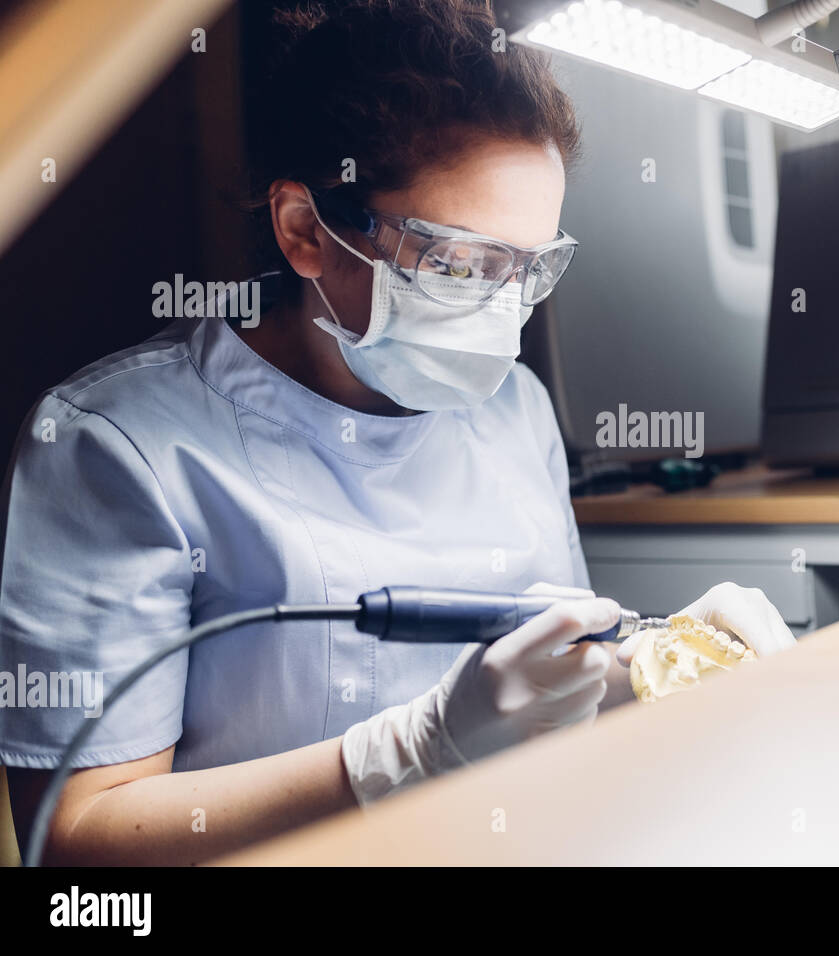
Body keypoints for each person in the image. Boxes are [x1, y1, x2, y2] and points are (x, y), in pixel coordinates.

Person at [0, 0, 794, 865]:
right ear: (306, 229)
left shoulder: (514, 409)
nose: (502, 311)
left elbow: (548, 674)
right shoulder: (115, 447)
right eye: (460, 263)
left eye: (527, 269)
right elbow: (73, 839)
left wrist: (657, 664)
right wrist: (401, 757)